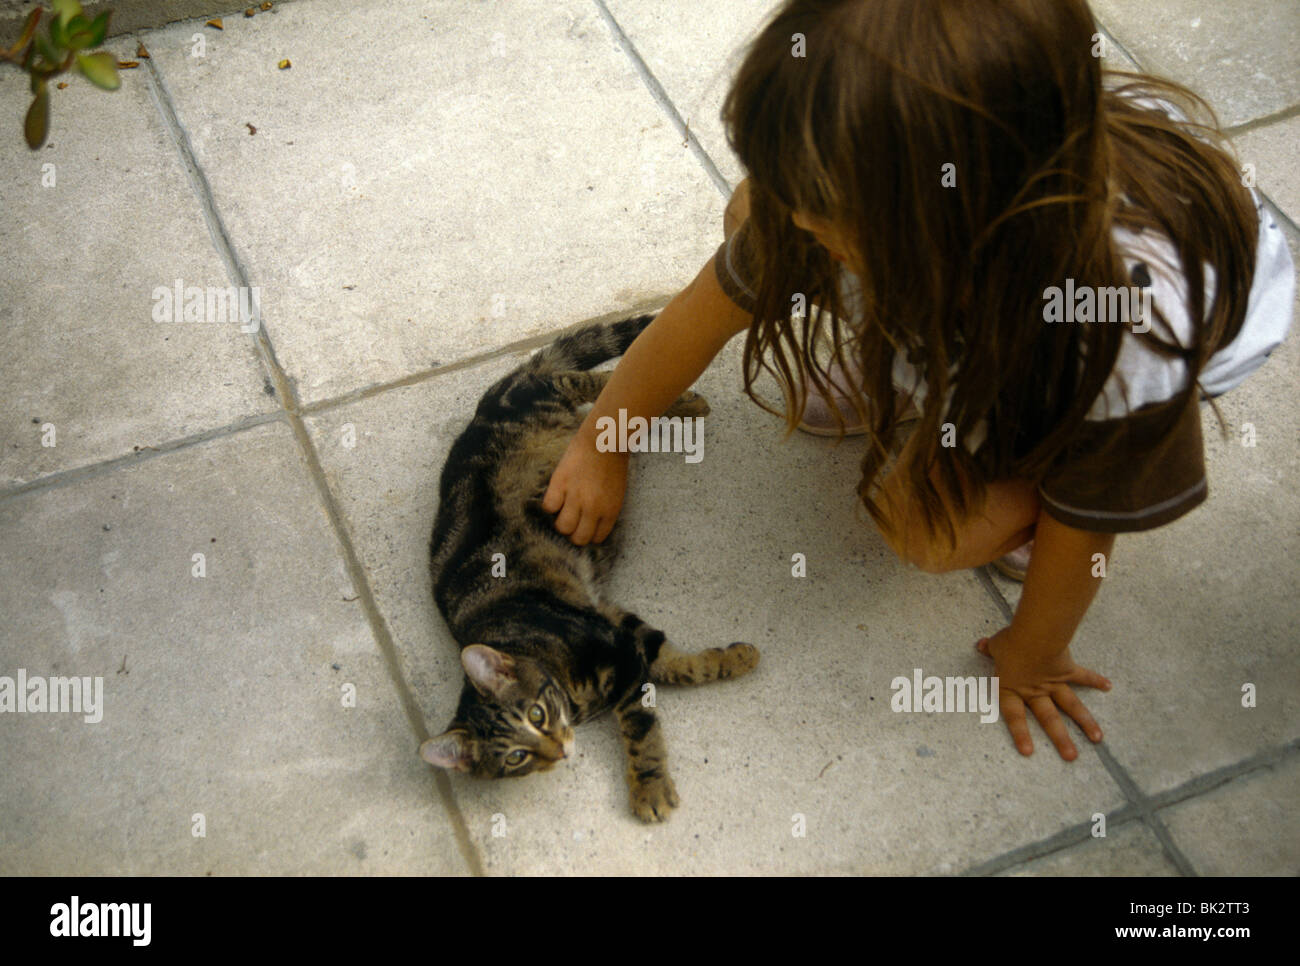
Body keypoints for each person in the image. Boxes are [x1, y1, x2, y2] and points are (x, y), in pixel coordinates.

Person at [542, 0, 1294, 759]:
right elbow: (705, 312)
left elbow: (1090, 516)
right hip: (973, 276)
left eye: (826, 212)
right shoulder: (861, 182)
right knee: (751, 219)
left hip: (1106, 352)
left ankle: (990, 456)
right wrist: (605, 438)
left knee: (926, 528)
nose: (799, 217)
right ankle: (911, 366)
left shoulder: (1121, 337)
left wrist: (1033, 653)